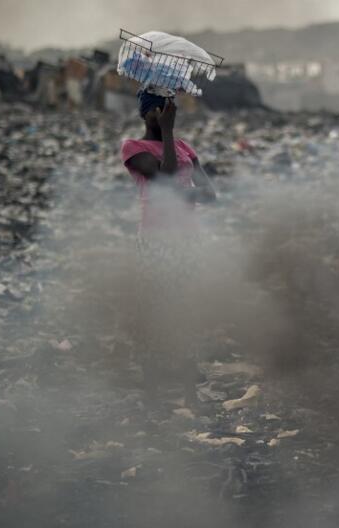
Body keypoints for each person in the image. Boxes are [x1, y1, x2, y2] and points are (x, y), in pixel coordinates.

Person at [120, 89, 217, 408]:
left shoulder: (185, 147)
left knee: (185, 312)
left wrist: (185, 195)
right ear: (148, 114)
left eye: (172, 110)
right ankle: (152, 397)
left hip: (187, 239)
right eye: (164, 109)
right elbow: (164, 180)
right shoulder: (133, 148)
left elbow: (209, 193)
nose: (170, 114)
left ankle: (190, 396)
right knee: (155, 312)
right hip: (157, 240)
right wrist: (169, 132)